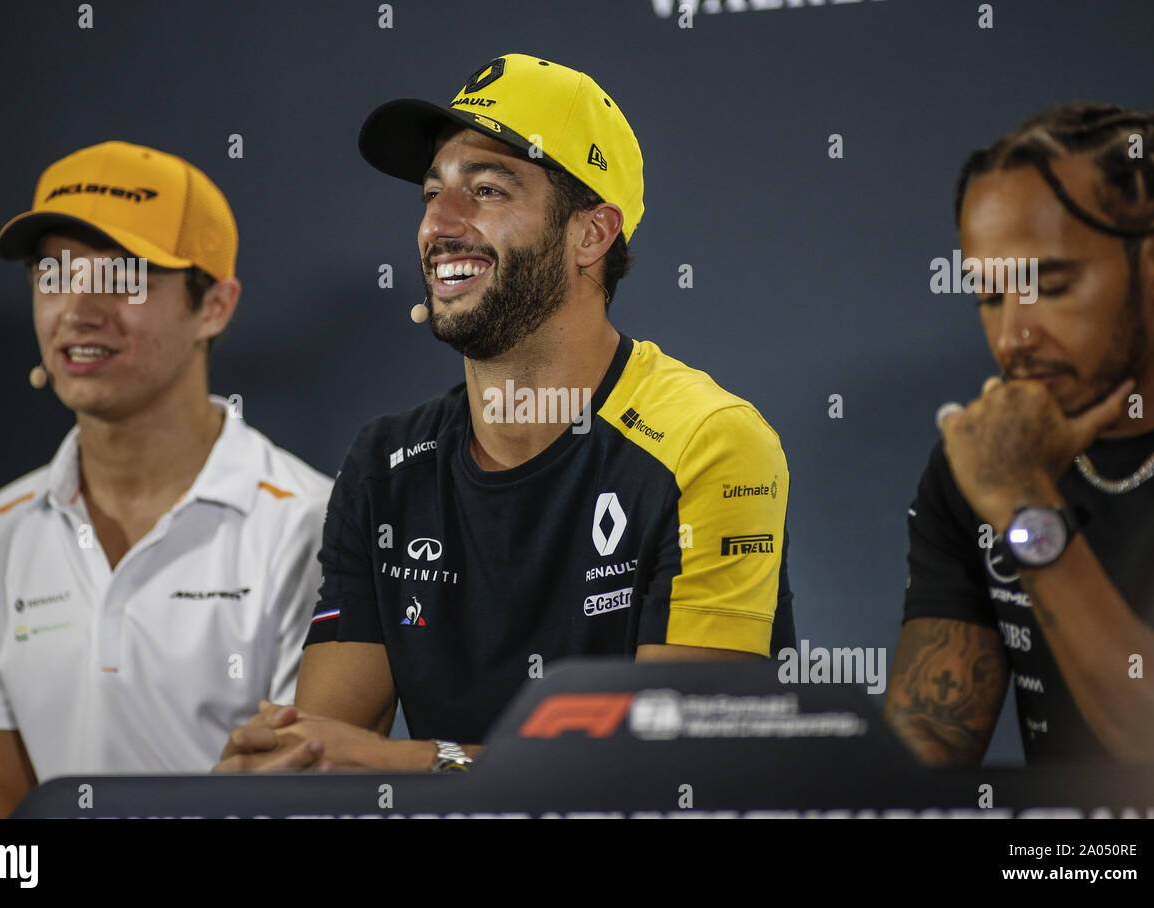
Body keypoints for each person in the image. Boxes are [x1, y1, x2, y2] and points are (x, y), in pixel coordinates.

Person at [216, 53, 794, 774]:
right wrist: (272, 768)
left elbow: (673, 769)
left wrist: (423, 763)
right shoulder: (384, 465)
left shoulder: (708, 443)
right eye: (432, 193)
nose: (439, 225)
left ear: (593, 234)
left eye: (486, 190)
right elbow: (327, 750)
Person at [0, 140, 333, 815]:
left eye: (126, 277)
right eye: (52, 275)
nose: (79, 309)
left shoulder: (311, 521)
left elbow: (303, 795)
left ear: (215, 305)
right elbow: (0, 813)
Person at [885, 90, 1154, 766]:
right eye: (991, 295)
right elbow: (932, 735)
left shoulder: (1006, 475)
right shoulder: (982, 464)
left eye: (1050, 287)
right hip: (1060, 871)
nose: (1014, 336)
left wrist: (1025, 506)